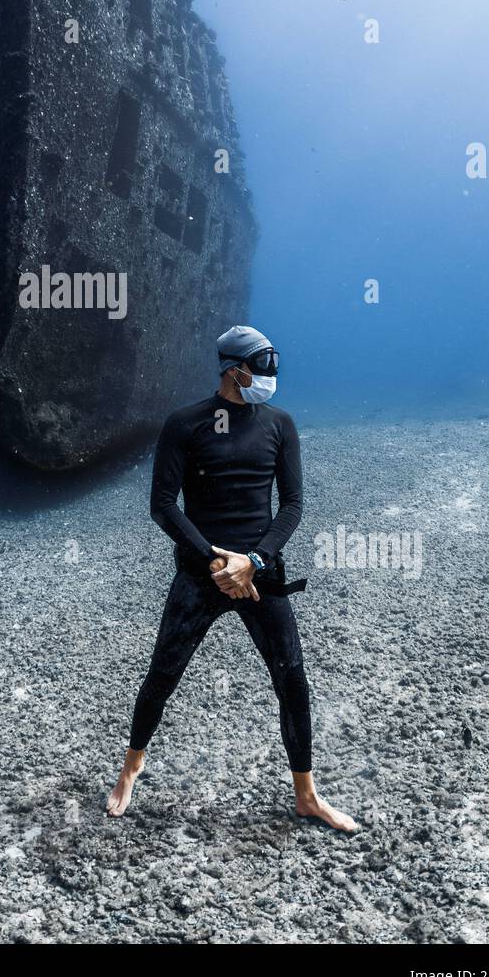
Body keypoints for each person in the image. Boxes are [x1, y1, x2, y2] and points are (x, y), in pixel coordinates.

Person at [105, 324, 357, 832]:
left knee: (292, 682)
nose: (271, 375)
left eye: (273, 364)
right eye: (262, 365)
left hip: (260, 574)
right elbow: (162, 506)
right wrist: (217, 563)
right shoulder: (184, 424)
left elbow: (292, 505)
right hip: (202, 577)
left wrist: (255, 561)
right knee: (163, 675)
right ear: (234, 370)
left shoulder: (280, 424)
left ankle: (307, 795)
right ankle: (132, 767)